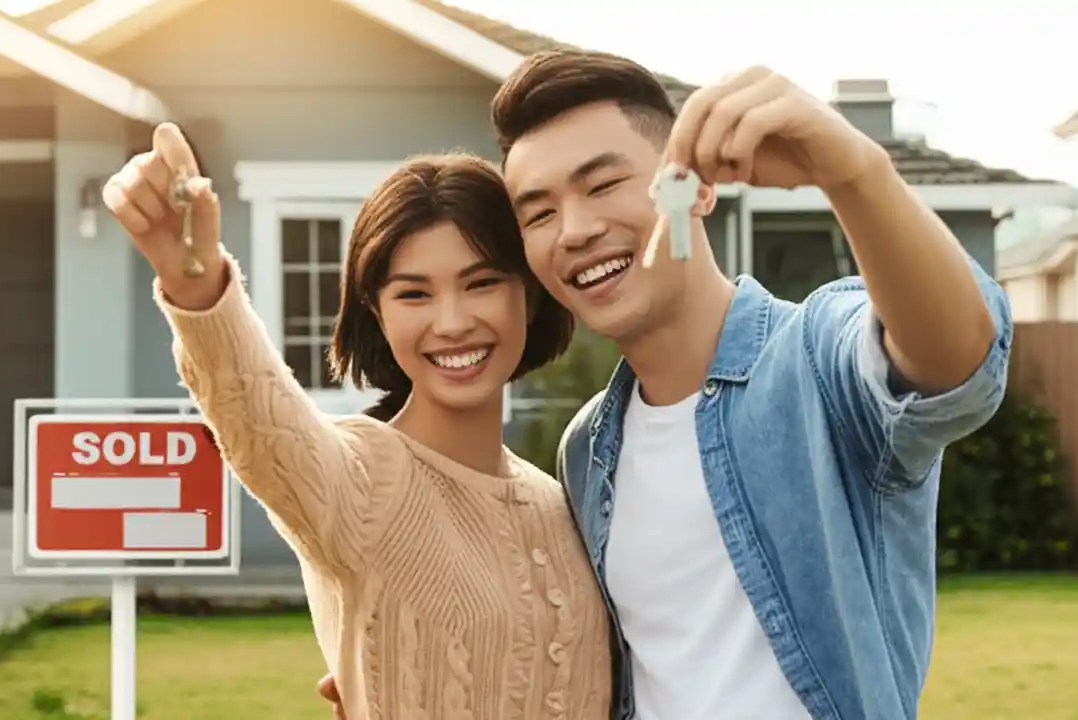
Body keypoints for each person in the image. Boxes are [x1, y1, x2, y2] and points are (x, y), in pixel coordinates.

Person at [322, 50, 1012, 720]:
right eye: (539, 213)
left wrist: (854, 173)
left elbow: (956, 364)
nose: (578, 230)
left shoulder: (814, 362)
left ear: (697, 187)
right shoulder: (589, 451)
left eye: (602, 185)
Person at [103, 124, 614, 719]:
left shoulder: (561, 503)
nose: (451, 323)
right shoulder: (361, 482)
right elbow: (260, 421)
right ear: (376, 312)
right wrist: (196, 285)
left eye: (481, 284)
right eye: (414, 295)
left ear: (527, 292)